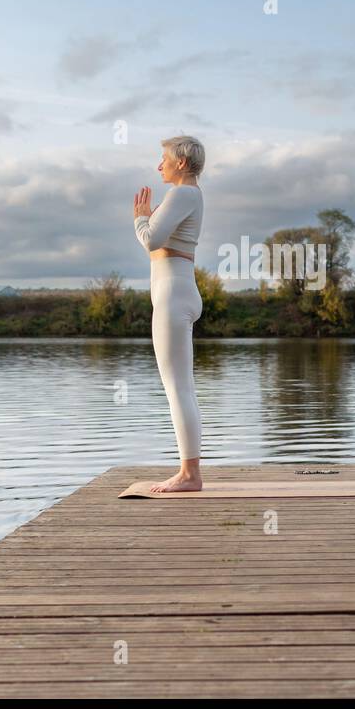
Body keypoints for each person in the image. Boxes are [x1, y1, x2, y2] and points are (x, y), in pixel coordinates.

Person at [132, 136, 205, 492]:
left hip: (173, 294)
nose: (159, 165)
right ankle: (189, 471)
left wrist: (141, 219)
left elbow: (151, 240)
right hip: (178, 290)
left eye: (163, 159)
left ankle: (190, 475)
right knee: (183, 388)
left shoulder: (182, 194)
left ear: (181, 162)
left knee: (177, 388)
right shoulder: (188, 195)